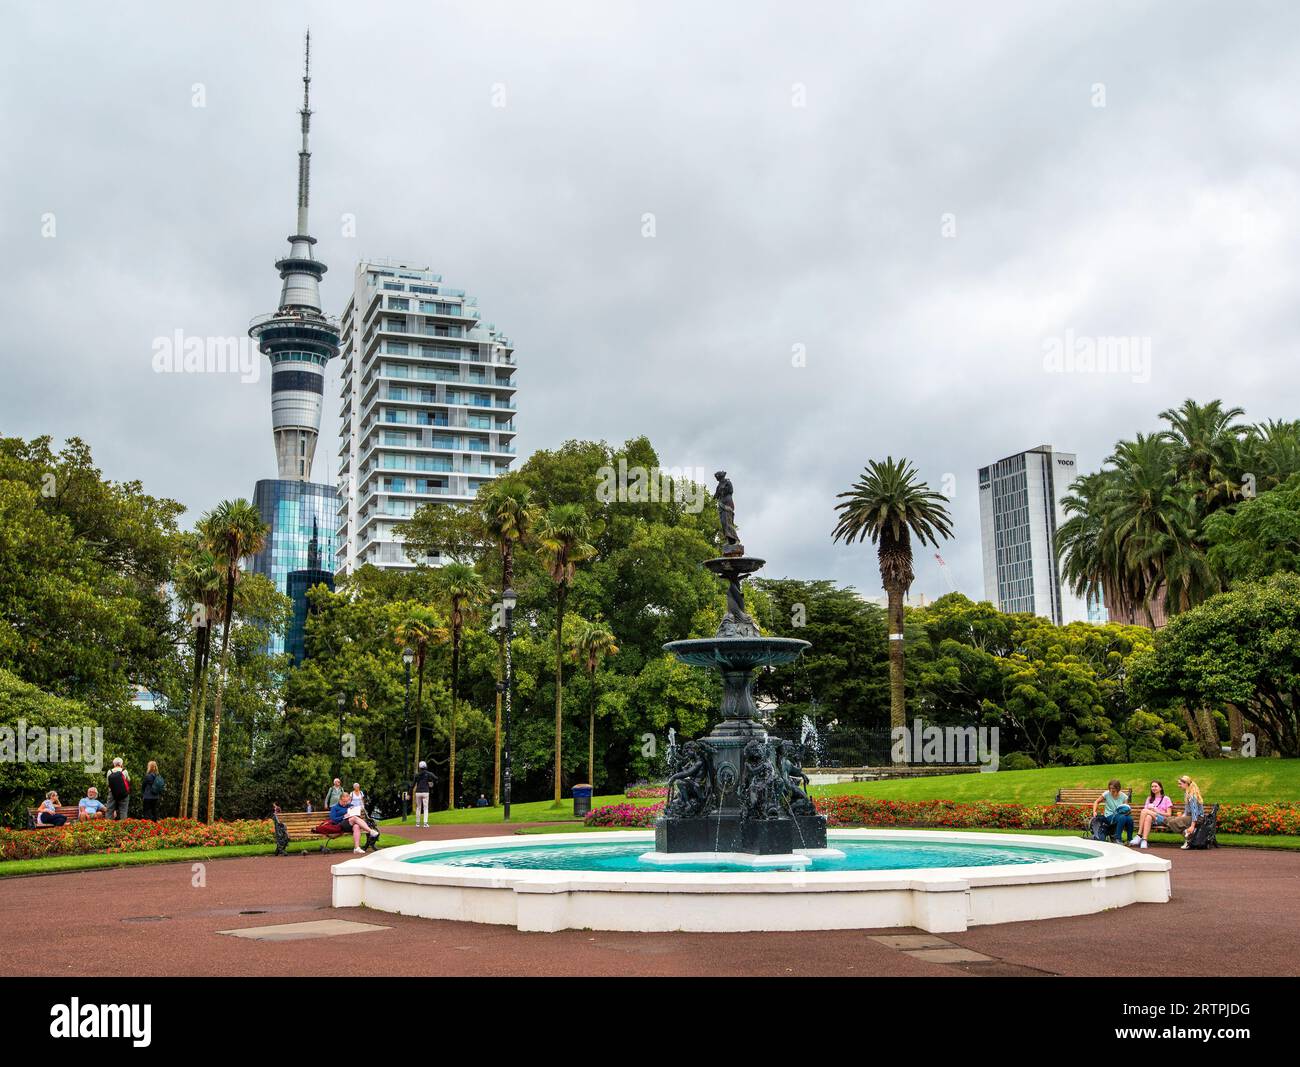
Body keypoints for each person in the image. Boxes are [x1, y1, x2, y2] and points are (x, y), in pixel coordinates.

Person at [1166, 776, 1206, 850]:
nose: (1179, 786)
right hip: (1190, 817)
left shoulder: (1192, 796)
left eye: (1180, 784)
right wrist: (1182, 817)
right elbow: (1187, 810)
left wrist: (1192, 826)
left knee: (1173, 822)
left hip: (1198, 818)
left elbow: (1195, 812)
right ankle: (1187, 833)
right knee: (1167, 819)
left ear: (1186, 784)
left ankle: (1189, 839)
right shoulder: (1187, 794)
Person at [1132, 779, 1172, 849]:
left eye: (1156, 786)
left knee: (1145, 811)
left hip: (1162, 819)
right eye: (1152, 786)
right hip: (1151, 820)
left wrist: (1157, 811)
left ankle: (1139, 835)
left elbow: (1169, 814)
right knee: (1148, 817)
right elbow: (1144, 813)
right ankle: (1144, 840)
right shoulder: (1149, 798)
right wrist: (1150, 811)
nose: (1153, 788)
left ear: (1160, 788)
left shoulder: (1166, 798)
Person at [1092, 779, 1133, 844]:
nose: (1111, 790)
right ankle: (1117, 838)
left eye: (1113, 788)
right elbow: (1096, 802)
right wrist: (1094, 811)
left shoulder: (1124, 797)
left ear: (1118, 788)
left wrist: (1128, 811)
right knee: (1122, 818)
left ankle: (1129, 840)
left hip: (1120, 814)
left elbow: (1126, 808)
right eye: (1110, 788)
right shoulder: (1106, 794)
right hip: (1109, 815)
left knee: (1129, 819)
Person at [411, 762, 435, 827]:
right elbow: (435, 778)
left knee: (418, 808)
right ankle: (425, 823)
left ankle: (417, 823)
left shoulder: (417, 775)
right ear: (425, 766)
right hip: (425, 792)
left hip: (418, 792)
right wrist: (431, 782)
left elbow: (412, 785)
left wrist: (409, 793)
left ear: (419, 767)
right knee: (425, 808)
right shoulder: (428, 773)